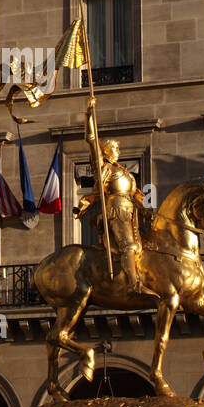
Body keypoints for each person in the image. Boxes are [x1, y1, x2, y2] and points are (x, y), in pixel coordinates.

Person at [76, 122, 151, 293]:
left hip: (130, 211)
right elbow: (92, 140)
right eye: (115, 149)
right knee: (128, 245)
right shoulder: (105, 167)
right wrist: (89, 113)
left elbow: (137, 194)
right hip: (116, 209)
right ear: (107, 151)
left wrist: (148, 211)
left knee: (141, 245)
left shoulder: (125, 171)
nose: (119, 152)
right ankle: (134, 284)